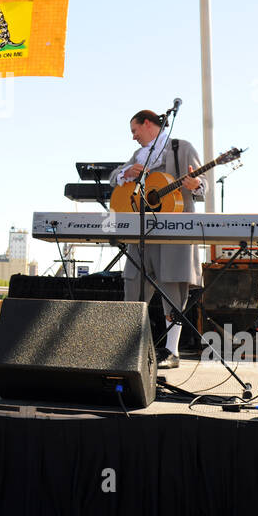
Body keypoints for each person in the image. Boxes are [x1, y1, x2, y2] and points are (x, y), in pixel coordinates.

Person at [109, 109, 205, 369]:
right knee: (133, 283)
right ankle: (131, 349)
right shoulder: (140, 154)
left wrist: (195, 184)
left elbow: (203, 184)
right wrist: (127, 171)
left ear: (148, 124)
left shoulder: (181, 148)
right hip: (142, 231)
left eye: (134, 130)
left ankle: (171, 351)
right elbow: (113, 177)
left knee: (172, 286)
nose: (133, 137)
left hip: (174, 230)